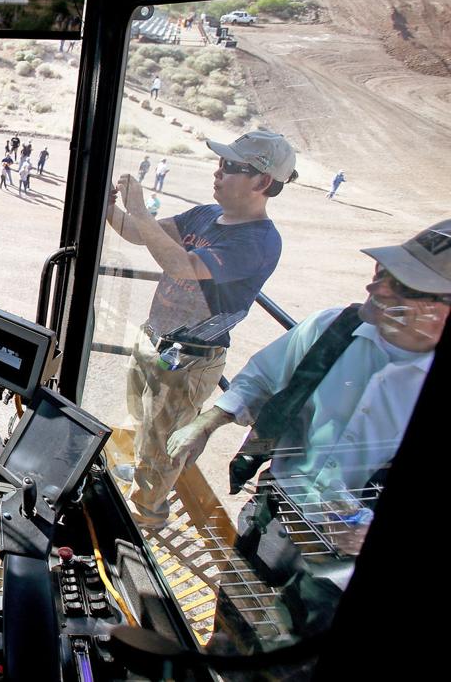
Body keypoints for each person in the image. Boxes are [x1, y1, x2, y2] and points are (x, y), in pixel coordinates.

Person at [166, 219, 450, 638]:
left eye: (403, 285)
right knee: (232, 629)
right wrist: (208, 423)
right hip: (275, 518)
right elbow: (262, 377)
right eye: (382, 272)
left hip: (341, 573)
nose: (378, 288)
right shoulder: (332, 328)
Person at [107, 129, 297, 530]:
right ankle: (144, 483)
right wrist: (111, 209)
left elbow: (182, 266)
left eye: (230, 166)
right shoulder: (204, 215)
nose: (218, 171)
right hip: (157, 341)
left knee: (163, 446)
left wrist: (140, 209)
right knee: (145, 422)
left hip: (190, 360)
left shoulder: (259, 241)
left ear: (263, 182)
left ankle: (145, 519)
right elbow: (138, 233)